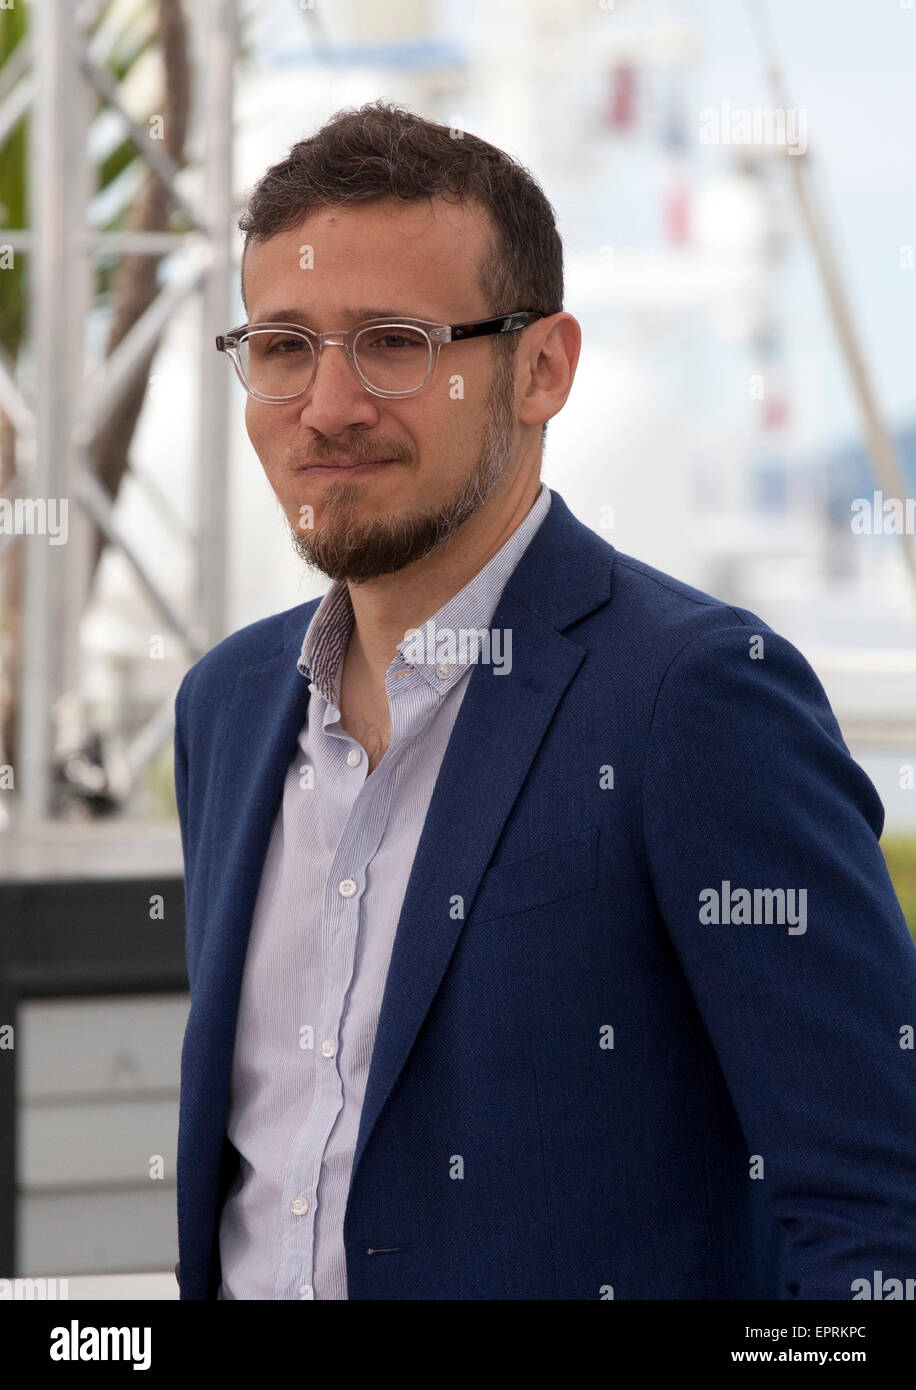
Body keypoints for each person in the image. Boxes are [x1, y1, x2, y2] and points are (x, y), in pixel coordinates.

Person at [174, 100, 916, 1300]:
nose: (327, 405)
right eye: (283, 345)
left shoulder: (698, 698)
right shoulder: (228, 707)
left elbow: (877, 1206)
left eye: (395, 341)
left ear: (541, 368)